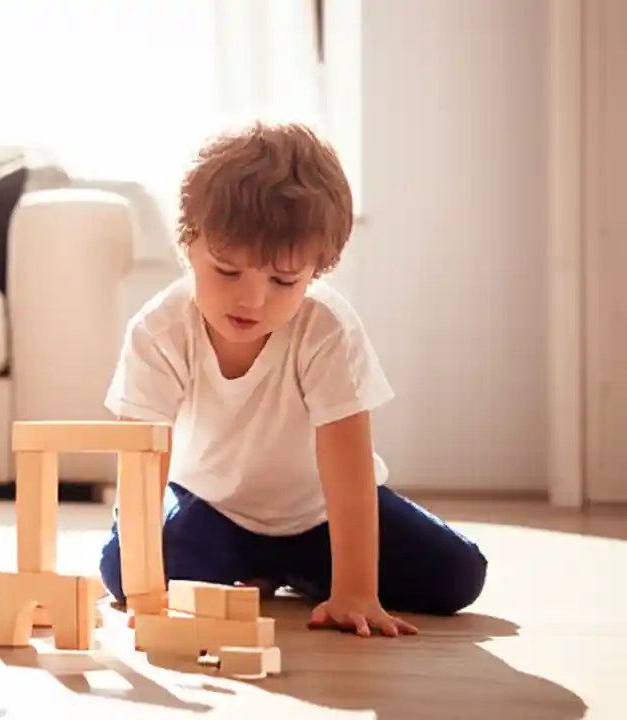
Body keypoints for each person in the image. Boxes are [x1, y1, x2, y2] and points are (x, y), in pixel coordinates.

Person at [98, 122, 487, 637]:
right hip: (218, 508)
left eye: (283, 281)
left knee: (457, 576)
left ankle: (298, 572)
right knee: (123, 570)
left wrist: (355, 591)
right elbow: (141, 461)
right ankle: (270, 569)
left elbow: (349, 470)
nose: (252, 300)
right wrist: (144, 584)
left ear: (316, 271)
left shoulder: (325, 327)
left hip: (319, 515)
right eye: (227, 271)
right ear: (188, 246)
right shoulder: (160, 330)